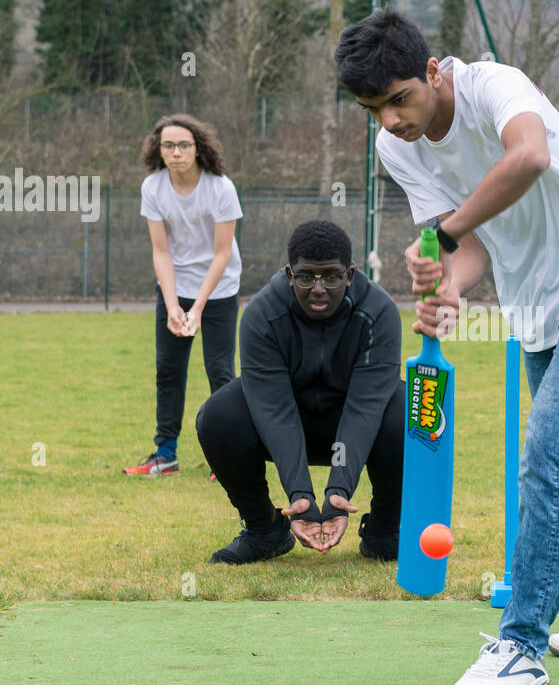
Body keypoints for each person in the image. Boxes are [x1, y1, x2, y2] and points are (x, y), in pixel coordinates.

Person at [335, 8, 559, 685]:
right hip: (540, 298)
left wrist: (449, 232)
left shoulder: (495, 85)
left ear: (433, 72)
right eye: (374, 109)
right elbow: (468, 249)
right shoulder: (398, 151)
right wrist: (450, 288)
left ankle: (522, 644)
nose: (391, 120)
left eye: (399, 98)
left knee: (548, 449)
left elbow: (529, 157)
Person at [195, 220, 404, 564]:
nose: (318, 288)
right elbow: (274, 410)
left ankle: (383, 532)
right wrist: (302, 498)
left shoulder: (379, 312)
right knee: (218, 416)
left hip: (352, 427)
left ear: (350, 275)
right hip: (285, 426)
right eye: (307, 277)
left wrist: (338, 492)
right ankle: (265, 531)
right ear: (290, 274)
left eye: (332, 277)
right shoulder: (261, 314)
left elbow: (364, 409)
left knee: (409, 415)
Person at [123, 114, 242, 479]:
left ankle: (227, 457)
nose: (176, 153)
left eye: (184, 145)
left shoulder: (221, 188)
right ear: (159, 151)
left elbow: (222, 253)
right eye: (168, 146)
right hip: (175, 287)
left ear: (198, 148)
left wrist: (199, 308)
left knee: (220, 372)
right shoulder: (153, 188)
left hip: (219, 288)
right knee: (168, 370)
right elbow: (161, 252)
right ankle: (165, 455)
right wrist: (174, 305)